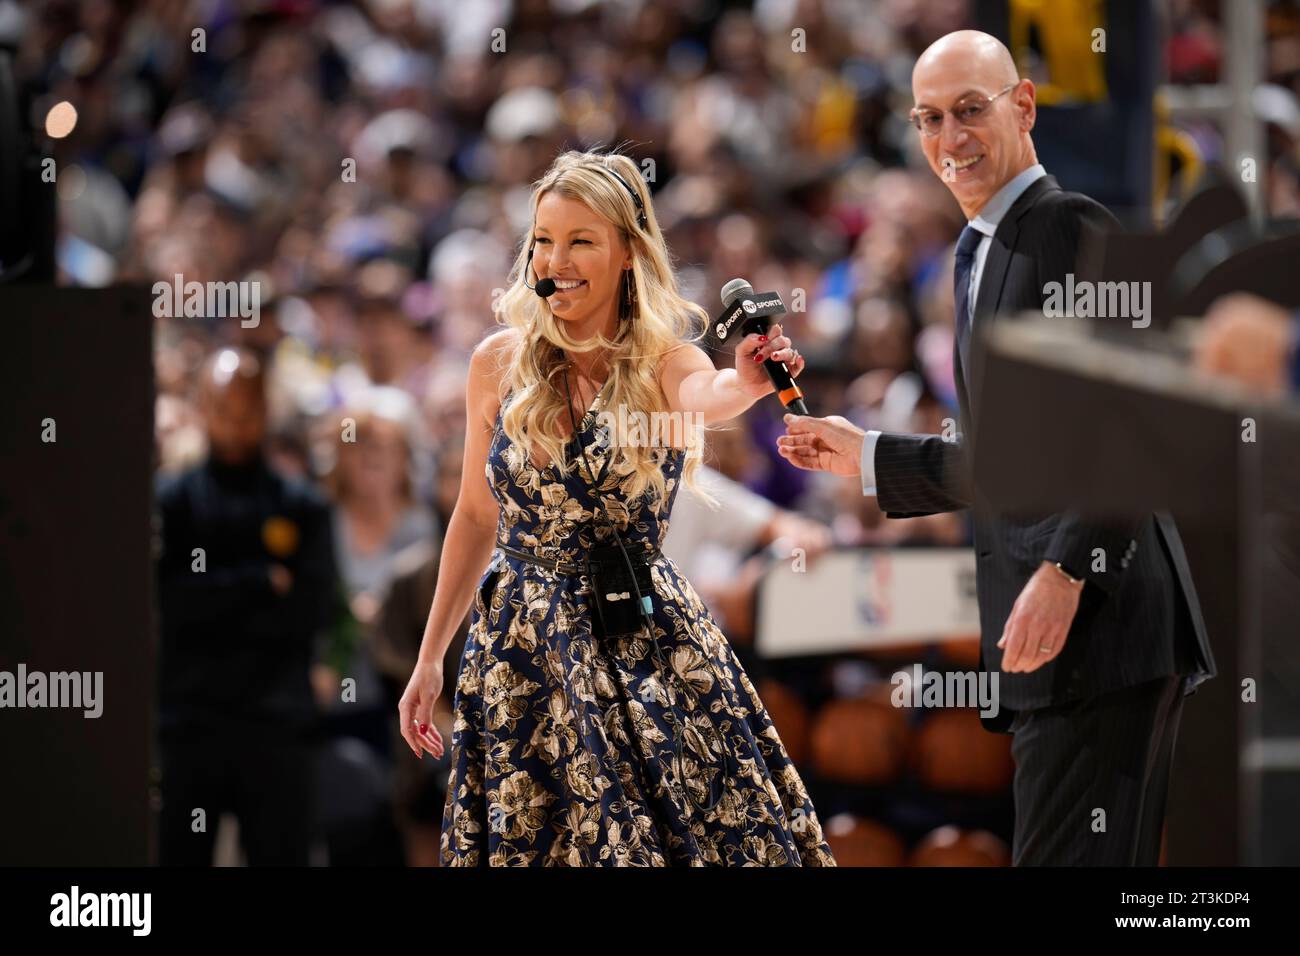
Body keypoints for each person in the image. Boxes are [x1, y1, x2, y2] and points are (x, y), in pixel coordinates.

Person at [777, 31, 1216, 866]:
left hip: (1100, 626)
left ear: (1023, 107)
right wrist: (868, 455)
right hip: (1072, 640)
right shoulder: (978, 251)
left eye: (971, 110)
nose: (951, 138)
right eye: (930, 118)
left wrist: (1064, 571)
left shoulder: (1063, 225)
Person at [399, 149, 835, 866]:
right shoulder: (496, 363)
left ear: (628, 252)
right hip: (519, 650)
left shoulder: (664, 359)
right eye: (543, 240)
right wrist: (430, 660)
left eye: (580, 241)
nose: (555, 260)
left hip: (637, 642)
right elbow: (476, 517)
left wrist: (749, 384)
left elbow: (710, 397)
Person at [155, 347, 337, 865]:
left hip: (276, 728)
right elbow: (168, 605)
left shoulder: (303, 506)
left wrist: (212, 597)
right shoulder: (170, 503)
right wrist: (259, 582)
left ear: (266, 411)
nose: (236, 424)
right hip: (190, 726)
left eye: (248, 411)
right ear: (202, 410)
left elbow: (309, 614)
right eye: (223, 410)